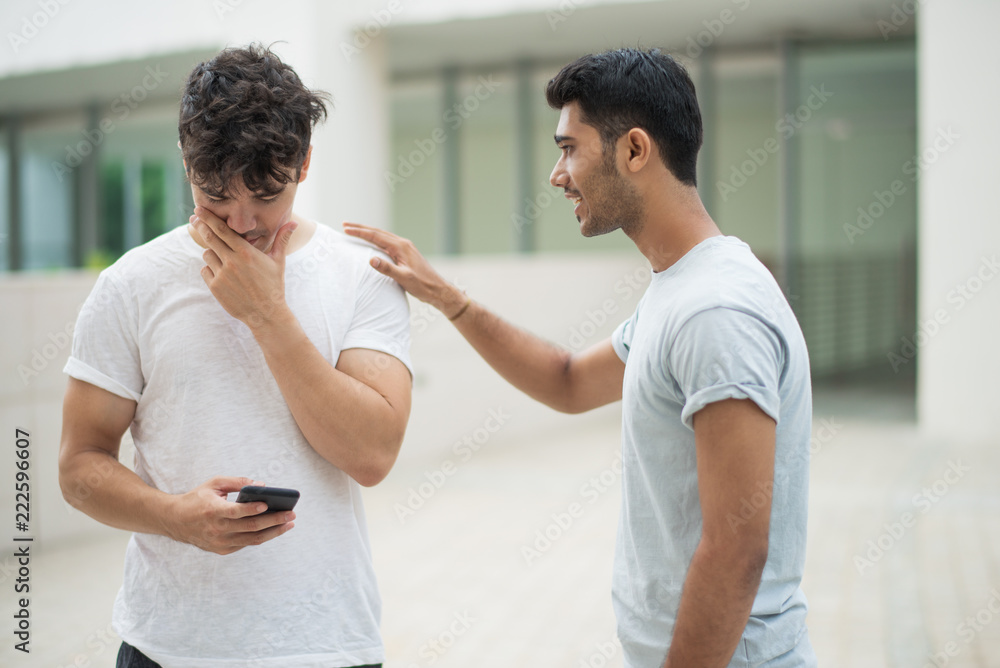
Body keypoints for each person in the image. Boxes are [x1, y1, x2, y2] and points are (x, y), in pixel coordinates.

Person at [344, 48, 817, 667]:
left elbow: (736, 550)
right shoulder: (681, 289)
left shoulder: (715, 310)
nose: (556, 175)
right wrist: (449, 300)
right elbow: (567, 381)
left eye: (569, 148)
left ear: (635, 150)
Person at [58, 44, 412, 668]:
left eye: (266, 195)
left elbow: (373, 454)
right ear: (185, 160)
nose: (242, 223)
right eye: (215, 196)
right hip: (168, 648)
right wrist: (174, 517)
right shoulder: (130, 285)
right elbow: (78, 467)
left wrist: (268, 315)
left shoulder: (363, 274)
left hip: (326, 646)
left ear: (305, 163)